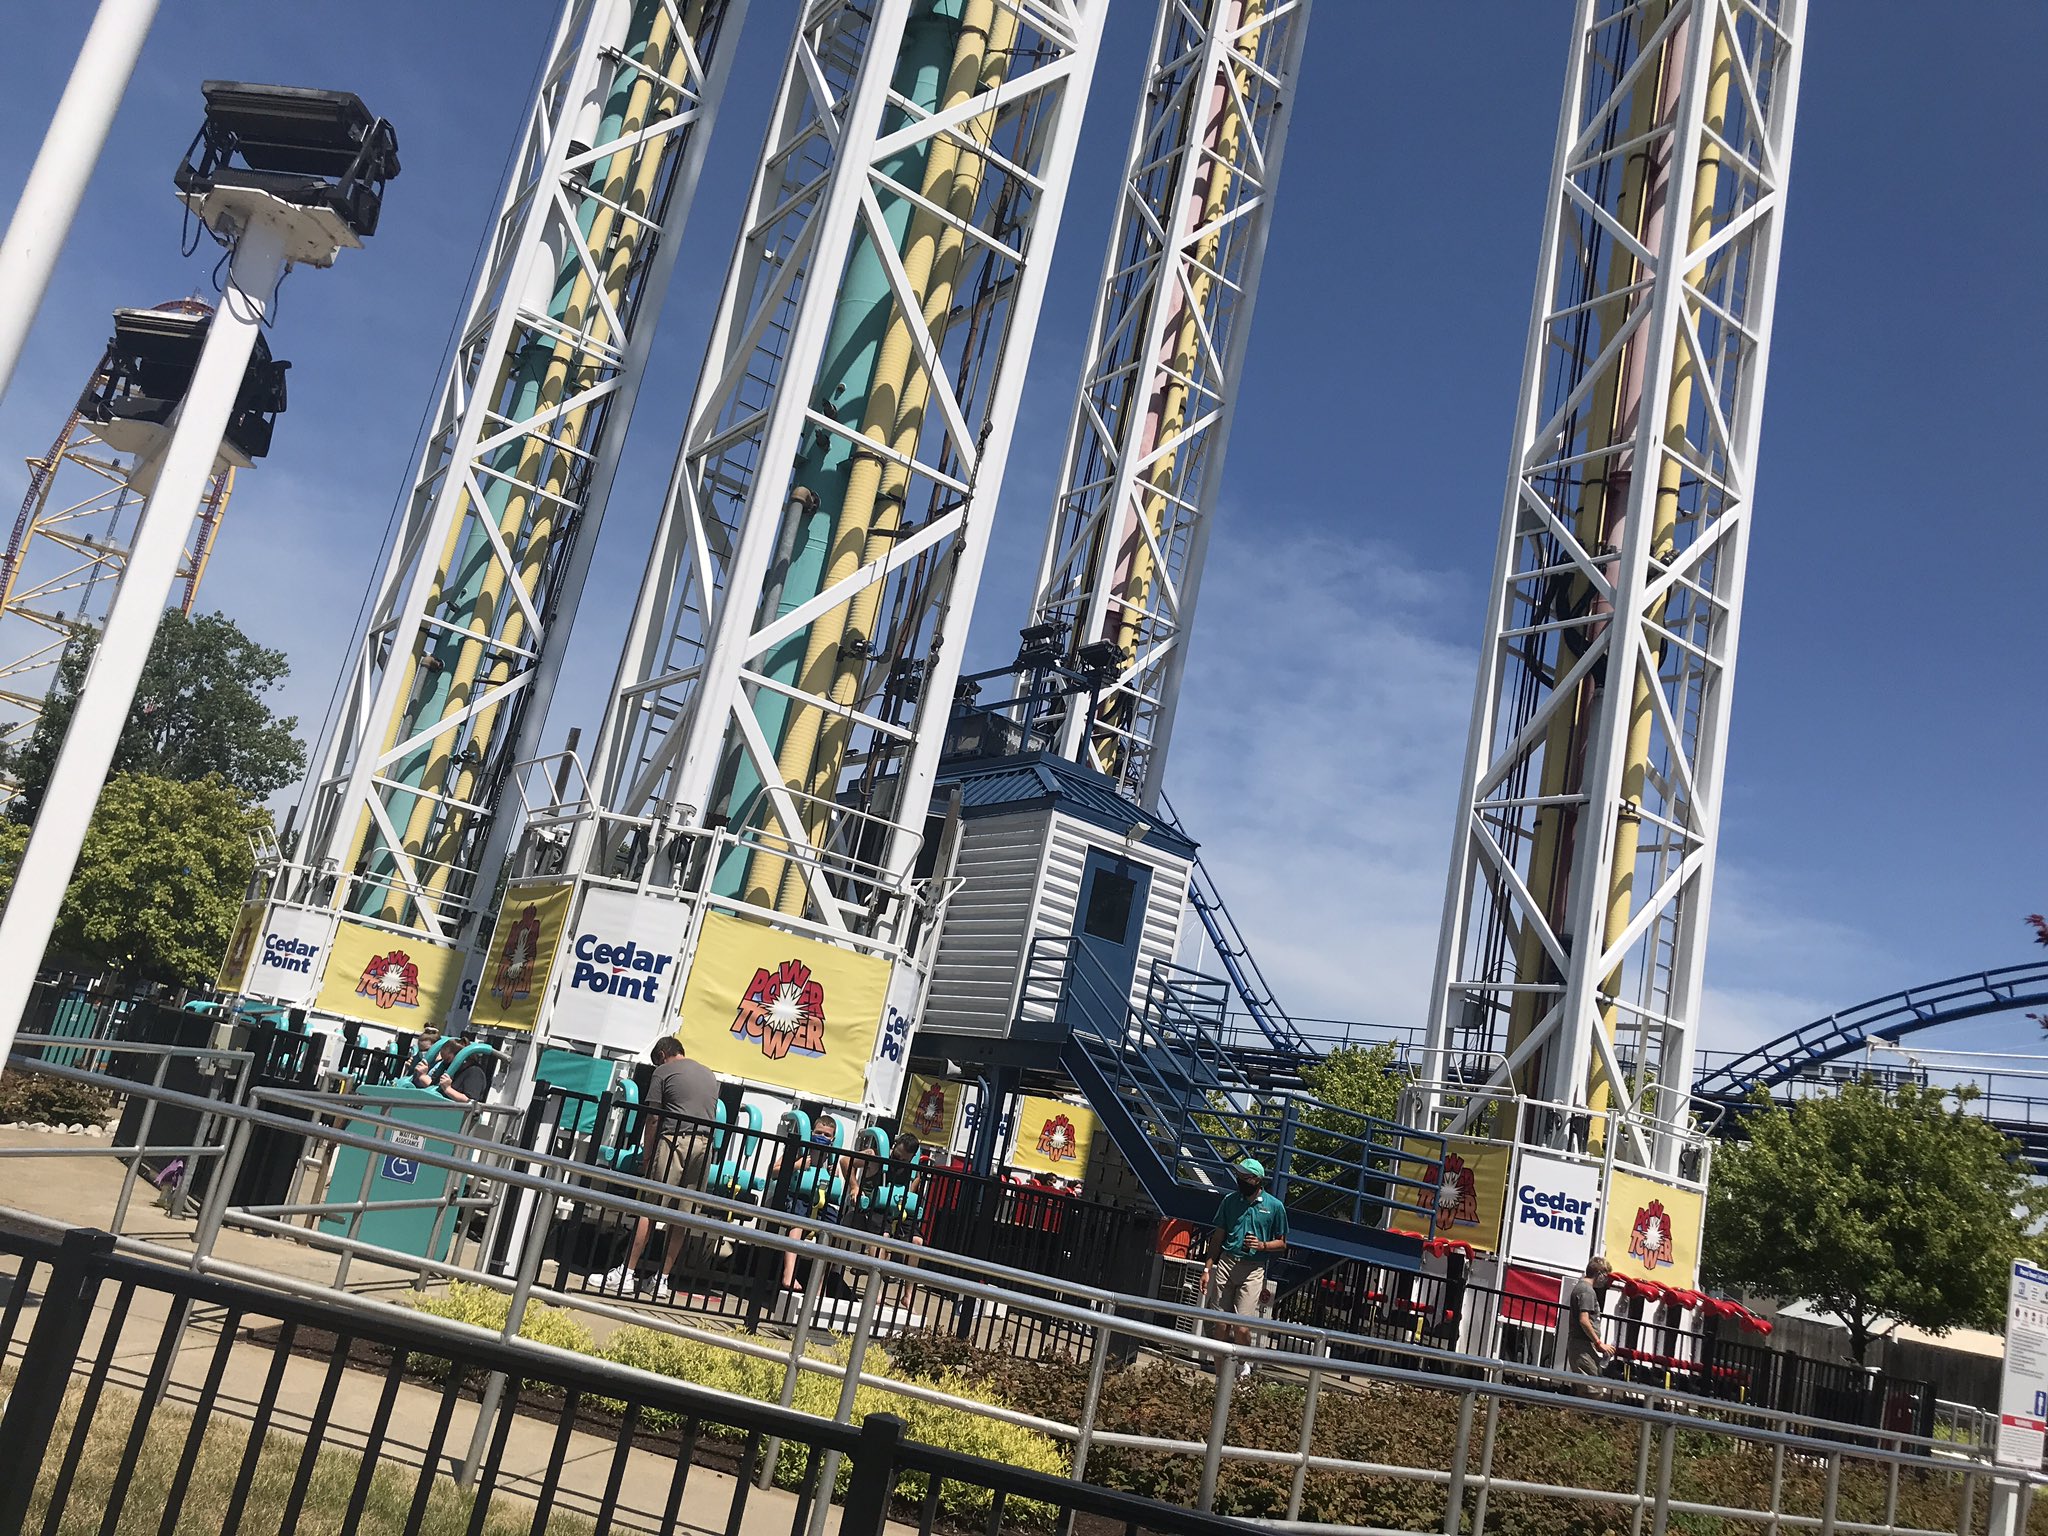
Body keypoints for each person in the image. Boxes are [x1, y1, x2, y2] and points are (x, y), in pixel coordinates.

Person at [597, 1037, 720, 1301]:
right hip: (705, 1145)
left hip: (674, 1139)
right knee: (683, 1215)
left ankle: (626, 1274)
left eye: (657, 1060)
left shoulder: (663, 1071)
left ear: (663, 1054)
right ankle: (662, 1281)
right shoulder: (709, 1074)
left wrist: (648, 1154)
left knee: (650, 1206)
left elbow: (653, 1117)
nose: (657, 1066)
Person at [1202, 1157, 1287, 1381]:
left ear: (1257, 1180)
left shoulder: (1274, 1206)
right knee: (1219, 1326)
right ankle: (1221, 1378)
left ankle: (1242, 1365)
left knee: (1242, 1327)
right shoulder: (1230, 1201)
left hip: (1253, 1267)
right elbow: (1218, 1236)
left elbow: (1283, 1242)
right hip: (1228, 1262)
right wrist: (1207, 1268)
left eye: (1245, 1177)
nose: (1240, 1180)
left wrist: (1262, 1245)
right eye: (1238, 1176)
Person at [1566, 1256, 1616, 1389]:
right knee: (1592, 1389)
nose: (1606, 1280)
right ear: (1599, 1274)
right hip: (1582, 1346)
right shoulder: (1587, 1291)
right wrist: (1599, 1344)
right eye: (1606, 1276)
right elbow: (1584, 1320)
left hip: (1583, 1345)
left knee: (1588, 1386)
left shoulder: (1583, 1288)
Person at [416, 1036, 492, 1104]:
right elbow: (435, 1088)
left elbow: (470, 1101)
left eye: (448, 1059)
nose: (445, 1063)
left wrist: (448, 1089)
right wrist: (422, 1075)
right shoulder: (448, 1067)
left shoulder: (475, 1072)